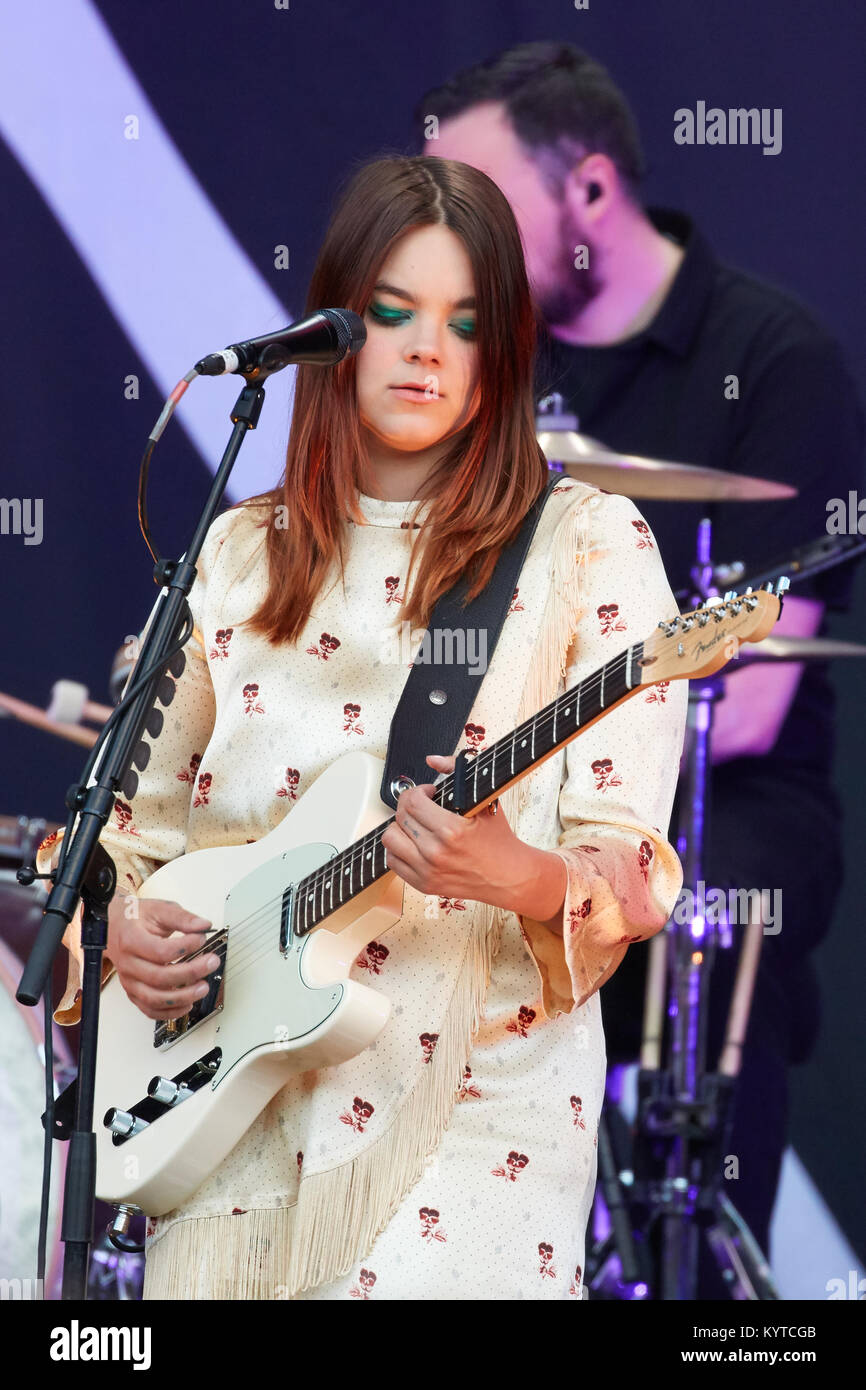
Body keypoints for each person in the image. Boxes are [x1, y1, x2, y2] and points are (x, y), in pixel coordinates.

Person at [39, 154, 686, 1301]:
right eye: (390, 314)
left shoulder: (587, 545)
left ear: (502, 350)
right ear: (335, 329)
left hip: (466, 1121)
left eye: (462, 322)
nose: (426, 349)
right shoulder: (237, 556)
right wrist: (124, 925)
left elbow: (629, 868)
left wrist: (518, 873)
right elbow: (116, 838)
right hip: (220, 1118)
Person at [418, 41, 864, 1285]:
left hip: (723, 801)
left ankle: (698, 1277)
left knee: (715, 915)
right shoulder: (477, 365)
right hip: (511, 787)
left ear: (592, 194)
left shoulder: (776, 363)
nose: (458, 242)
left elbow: (757, 704)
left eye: (484, 208)